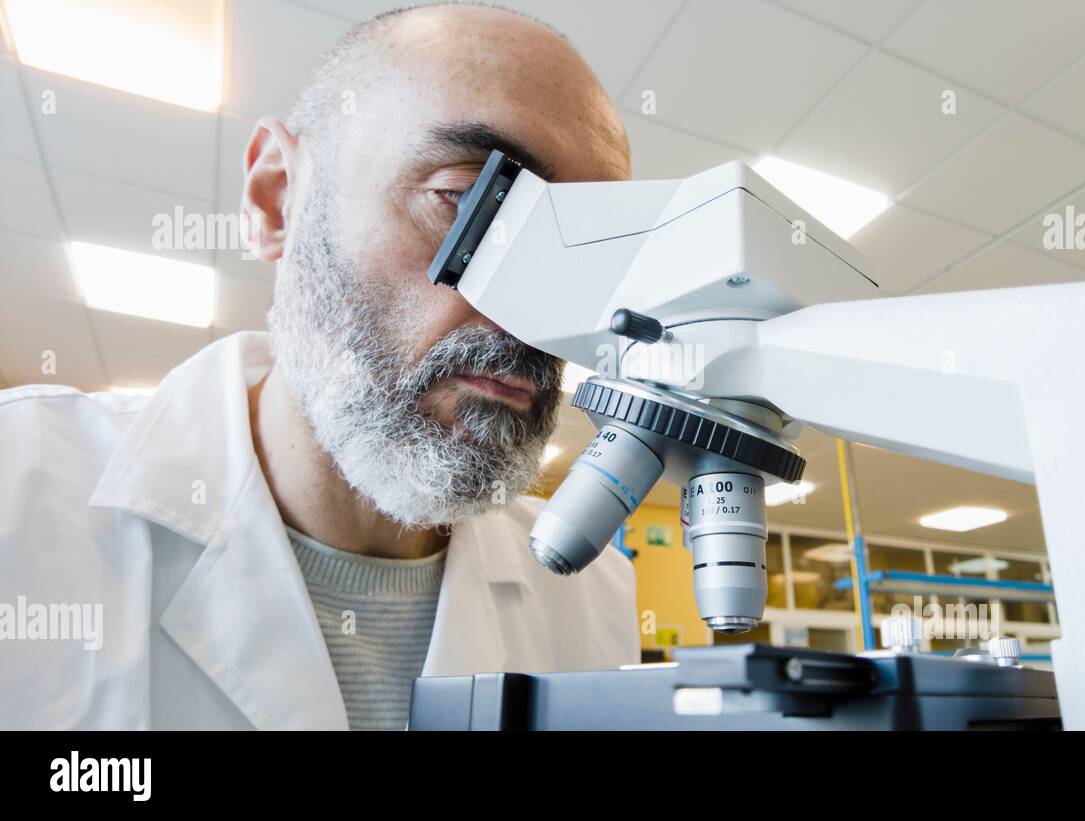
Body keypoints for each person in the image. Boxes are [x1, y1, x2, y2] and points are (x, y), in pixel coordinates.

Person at [0, 3, 637, 730]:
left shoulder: (595, 596)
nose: (539, 314)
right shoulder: (18, 499)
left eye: (591, 250)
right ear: (277, 198)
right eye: (467, 204)